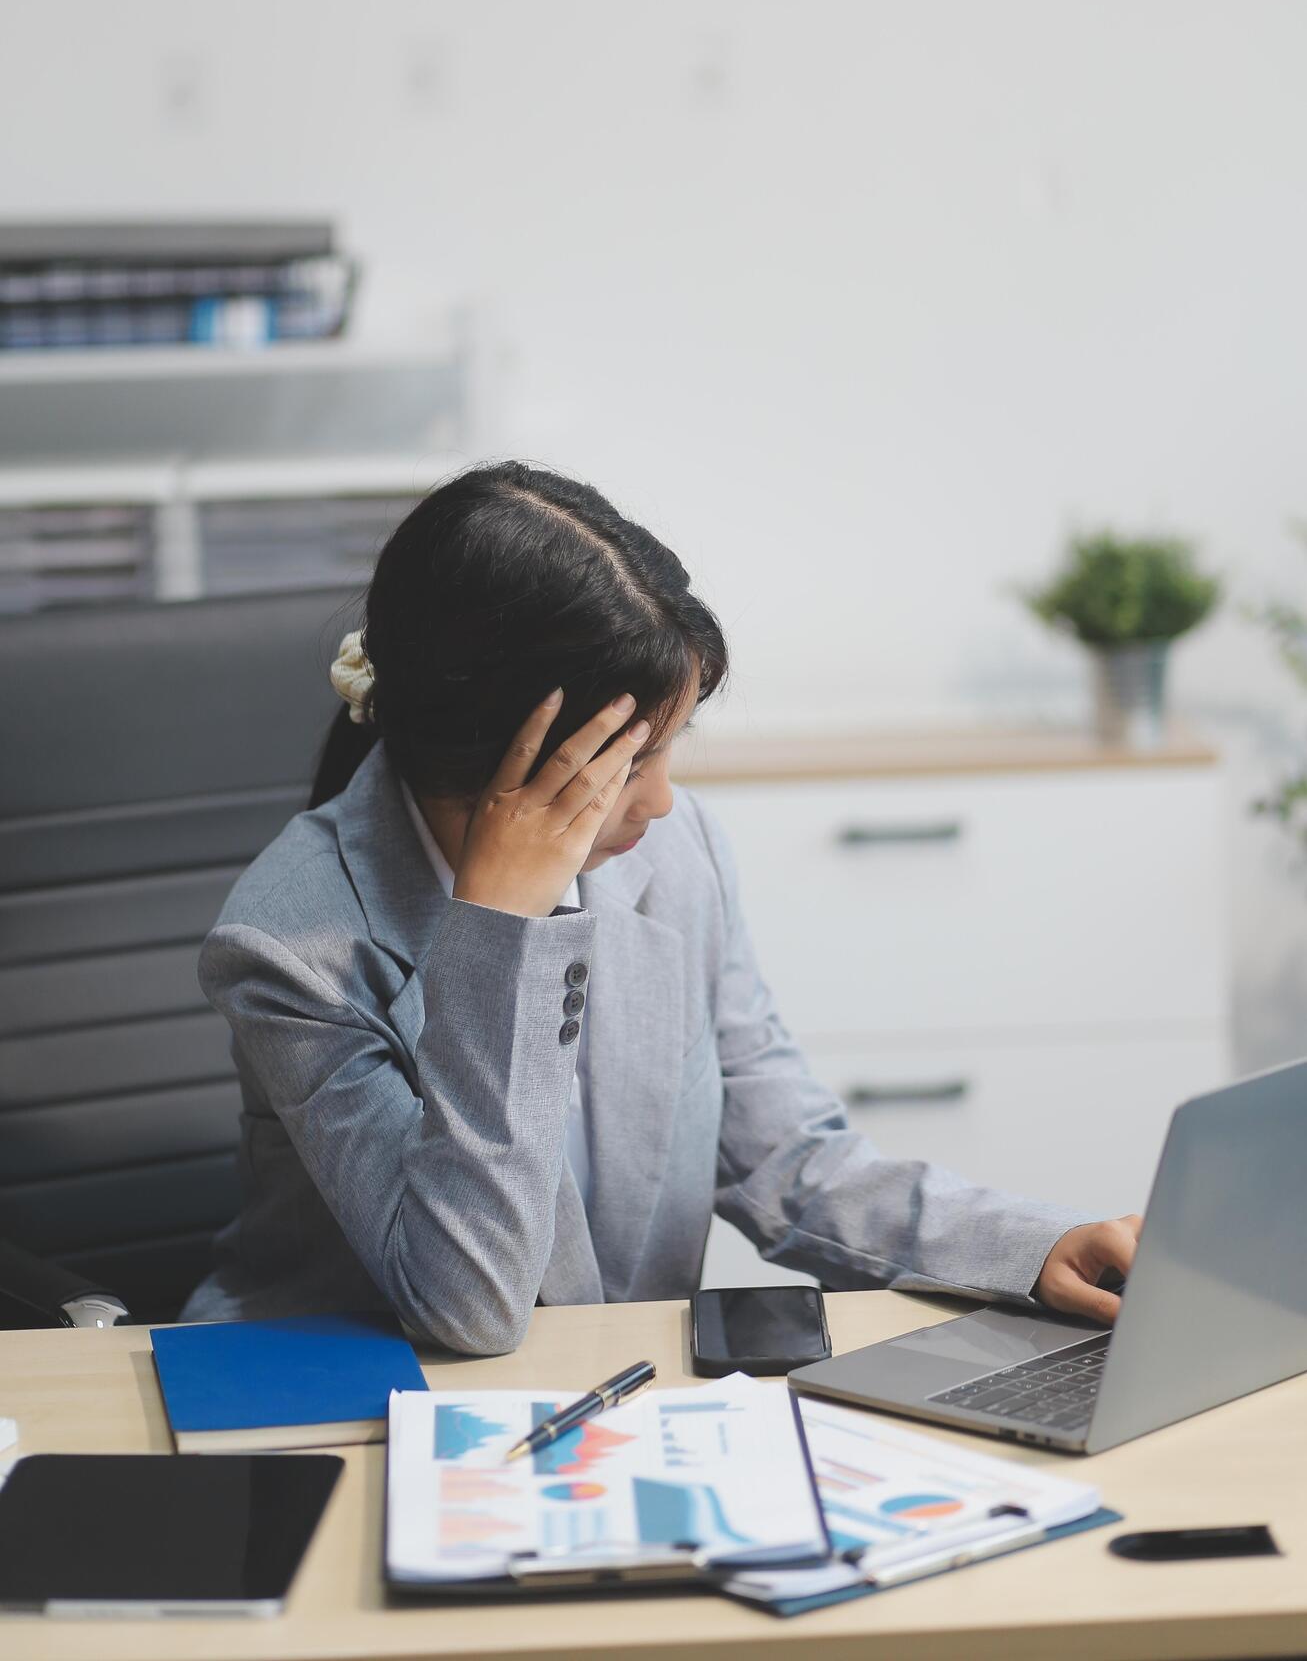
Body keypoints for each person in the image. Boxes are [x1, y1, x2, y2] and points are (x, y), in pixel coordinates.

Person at [182, 460, 1141, 1350]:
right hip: (347, 1410)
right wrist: (498, 933)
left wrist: (1029, 1249)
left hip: (611, 1405)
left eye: (672, 745)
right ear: (495, 754)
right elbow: (467, 1301)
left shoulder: (672, 856)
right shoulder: (288, 945)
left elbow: (786, 1160)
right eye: (629, 761)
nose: (663, 801)